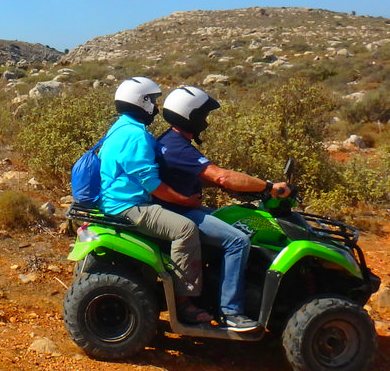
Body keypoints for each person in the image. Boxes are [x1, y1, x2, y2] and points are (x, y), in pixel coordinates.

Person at [154, 86, 291, 331]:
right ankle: (231, 313)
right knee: (238, 241)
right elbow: (221, 177)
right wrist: (269, 187)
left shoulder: (170, 140)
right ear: (190, 116)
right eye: (203, 115)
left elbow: (198, 177)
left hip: (176, 209)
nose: (205, 121)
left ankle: (211, 294)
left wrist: (244, 187)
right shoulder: (178, 146)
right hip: (180, 213)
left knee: (234, 224)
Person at [99, 77, 211, 325]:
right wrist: (185, 201)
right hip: (130, 207)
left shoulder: (119, 128)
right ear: (143, 102)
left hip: (114, 202)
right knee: (185, 228)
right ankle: (185, 303)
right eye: (154, 101)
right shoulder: (136, 136)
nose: (157, 108)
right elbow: (152, 184)